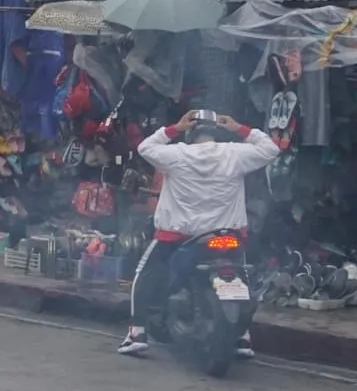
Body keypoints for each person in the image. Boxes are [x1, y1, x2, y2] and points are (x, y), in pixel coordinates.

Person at [120, 111, 280, 358]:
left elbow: (145, 147)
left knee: (145, 272)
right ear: (217, 133)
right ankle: (242, 338)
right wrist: (239, 128)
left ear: (190, 133)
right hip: (227, 234)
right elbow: (271, 149)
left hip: (179, 236)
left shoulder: (177, 154)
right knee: (241, 275)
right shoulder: (235, 153)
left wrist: (174, 128)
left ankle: (137, 333)